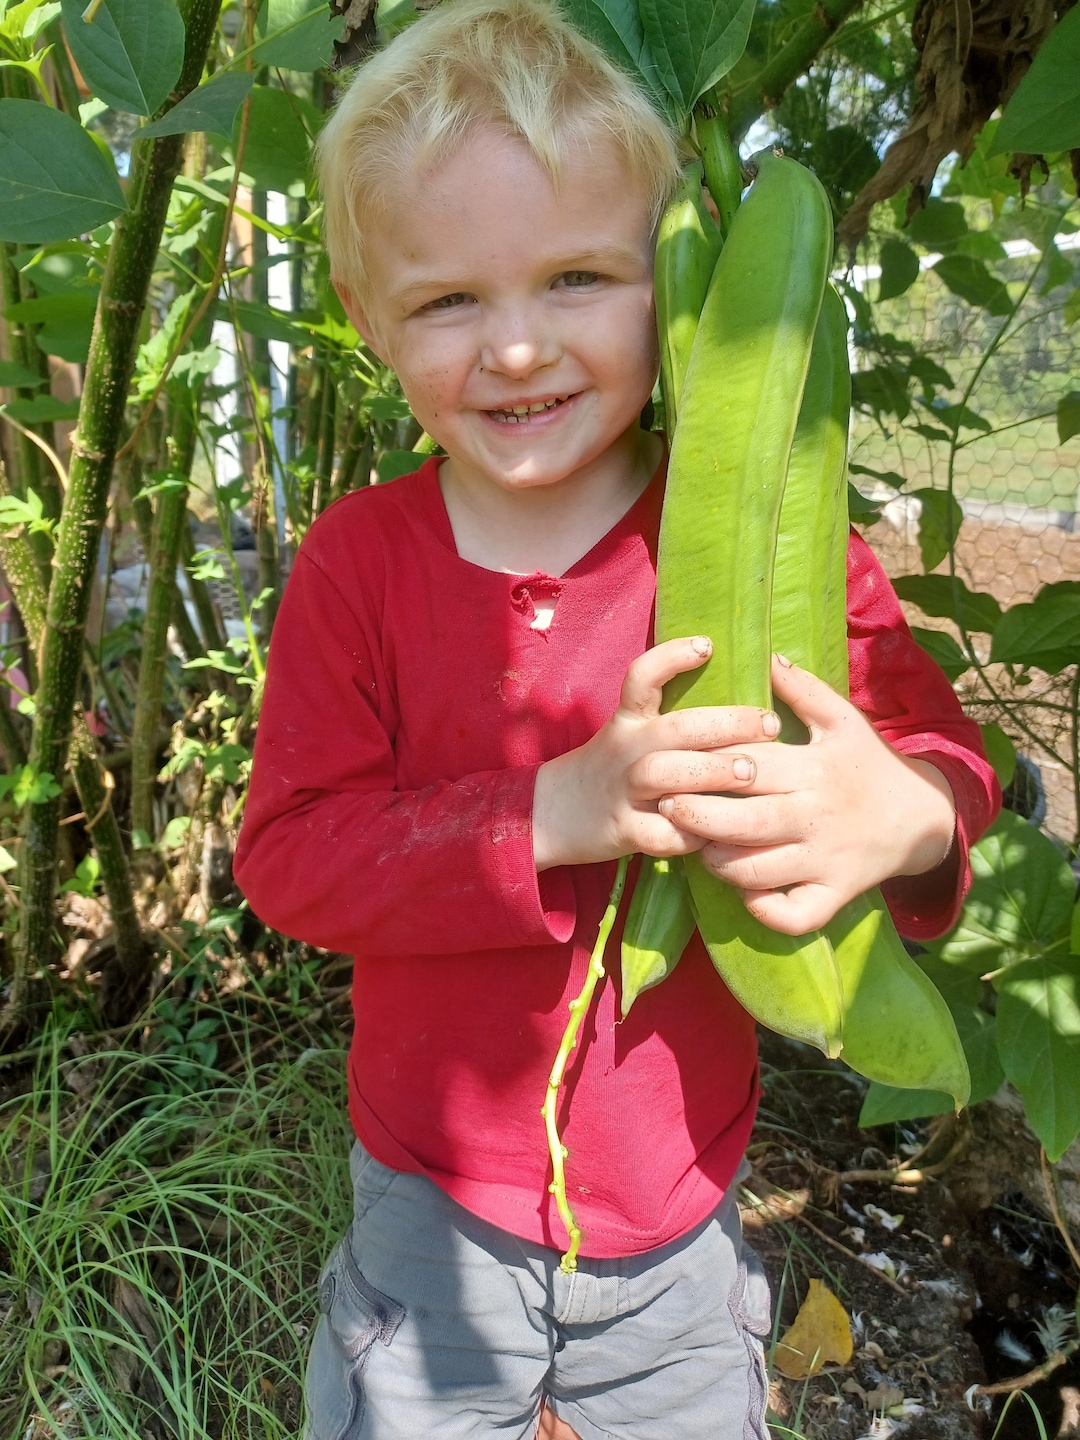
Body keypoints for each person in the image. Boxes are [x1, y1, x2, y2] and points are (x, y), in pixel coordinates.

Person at [233, 2, 999, 1435]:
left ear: (668, 286)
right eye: (450, 300)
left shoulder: (775, 524)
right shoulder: (362, 562)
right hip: (434, 1206)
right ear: (369, 320)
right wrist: (548, 813)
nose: (517, 349)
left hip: (680, 1220)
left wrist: (904, 815)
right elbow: (288, 856)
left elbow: (939, 751)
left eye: (578, 276)